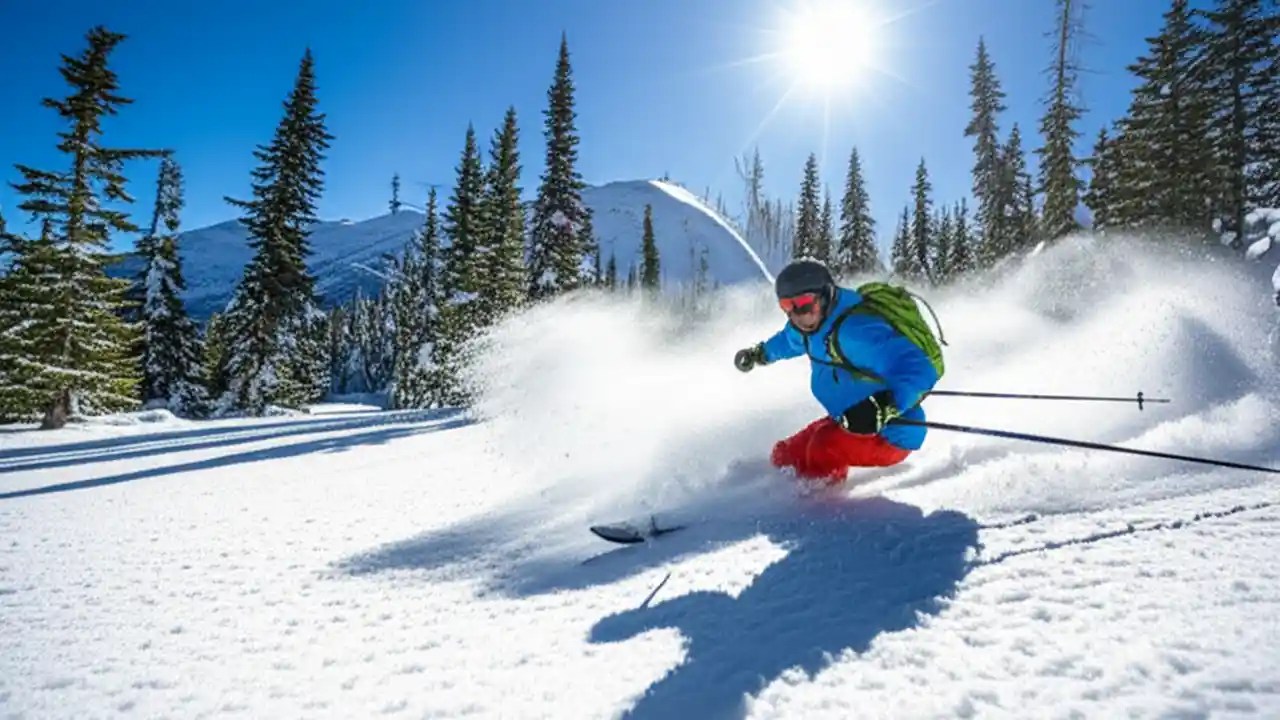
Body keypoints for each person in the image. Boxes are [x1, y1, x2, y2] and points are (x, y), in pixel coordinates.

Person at [734, 259, 940, 484]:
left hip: (892, 433)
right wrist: (759, 354)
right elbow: (787, 341)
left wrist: (885, 406)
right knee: (783, 454)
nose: (798, 315)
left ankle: (818, 502)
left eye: (804, 303)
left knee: (822, 447)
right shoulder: (808, 327)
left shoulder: (855, 331)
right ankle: (774, 490)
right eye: (787, 306)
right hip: (848, 418)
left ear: (826, 295)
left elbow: (920, 367)